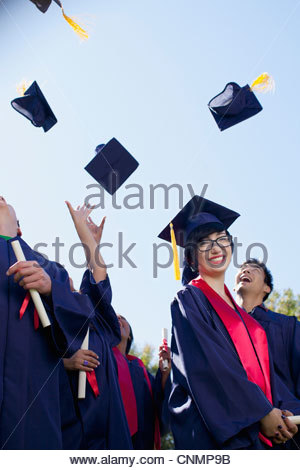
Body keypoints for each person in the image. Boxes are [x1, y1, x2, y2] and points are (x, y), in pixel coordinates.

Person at [158, 195, 300, 450]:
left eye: (222, 239)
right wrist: (260, 411)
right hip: (219, 436)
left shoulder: (248, 320)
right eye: (204, 243)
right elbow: (208, 365)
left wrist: (283, 412)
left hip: (258, 435)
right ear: (190, 258)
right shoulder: (189, 299)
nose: (215, 247)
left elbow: (268, 377)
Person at [0, 196, 92, 449]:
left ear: (19, 227)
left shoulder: (48, 268)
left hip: (33, 398)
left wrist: (52, 290)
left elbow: (82, 319)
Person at [62, 202, 132, 449]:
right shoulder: (51, 314)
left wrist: (87, 237)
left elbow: (98, 272)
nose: (63, 277)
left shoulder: (90, 308)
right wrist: (66, 363)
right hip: (71, 411)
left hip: (109, 413)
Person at [235, 259, 300, 450]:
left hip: (285, 429)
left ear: (266, 288)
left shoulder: (287, 326)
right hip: (235, 432)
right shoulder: (219, 330)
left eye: (254, 269)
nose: (245, 270)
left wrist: (294, 414)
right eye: (242, 268)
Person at [113, 314, 171, 449]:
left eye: (123, 318)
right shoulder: (101, 360)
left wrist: (164, 372)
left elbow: (160, 404)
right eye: (113, 317)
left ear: (129, 336)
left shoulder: (140, 371)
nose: (118, 319)